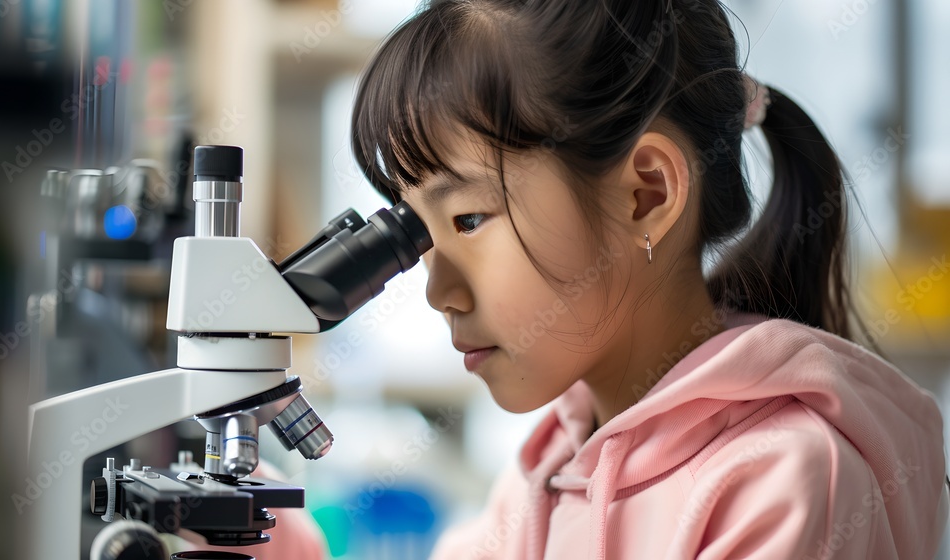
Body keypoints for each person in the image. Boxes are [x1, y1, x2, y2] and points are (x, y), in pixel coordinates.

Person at [341, 0, 950, 558]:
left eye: (468, 219)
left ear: (646, 194)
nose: (437, 293)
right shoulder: (554, 461)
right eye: (418, 233)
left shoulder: (783, 479)